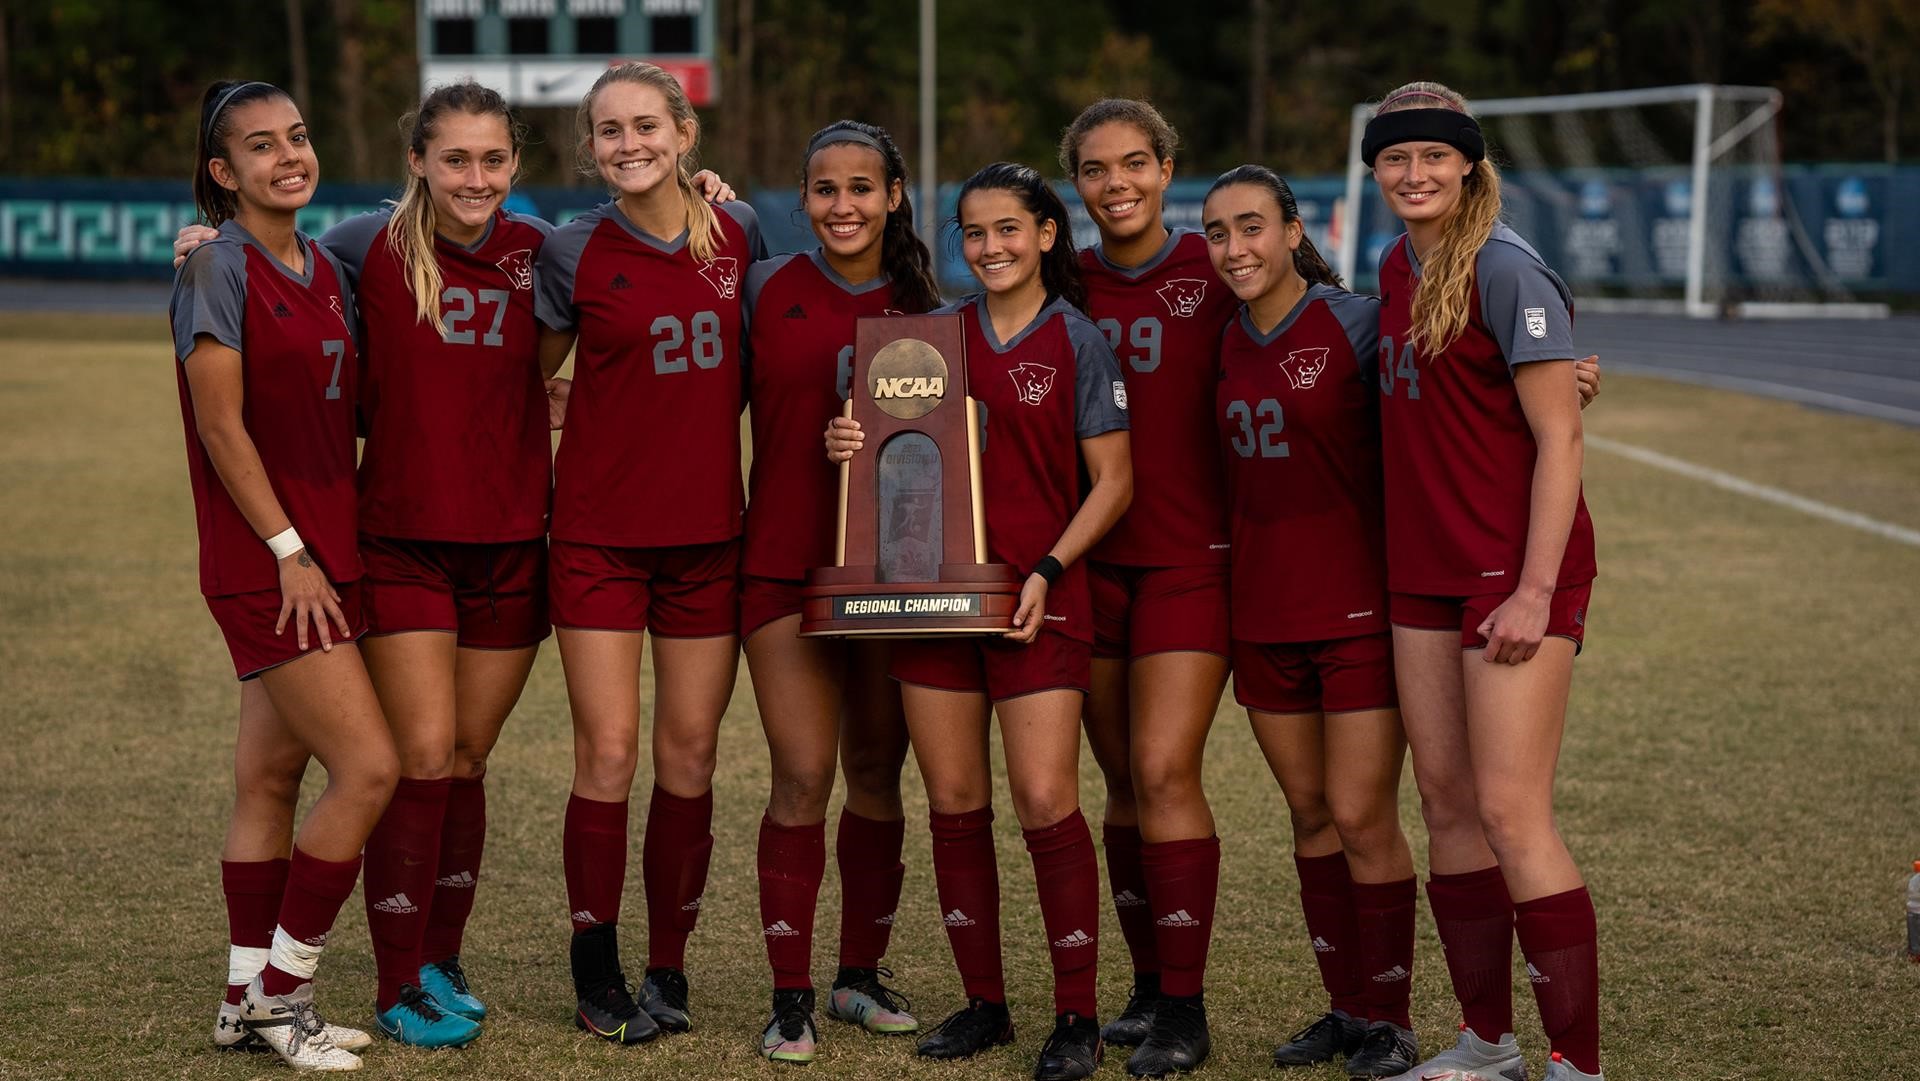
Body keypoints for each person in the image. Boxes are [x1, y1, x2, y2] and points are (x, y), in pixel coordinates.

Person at [169, 82, 741, 1049]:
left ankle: (437, 956)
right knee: (418, 757)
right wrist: (196, 242)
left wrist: (707, 191)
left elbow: (610, 330)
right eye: (454, 159)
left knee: (466, 760)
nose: (474, 178)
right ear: (418, 164)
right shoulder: (360, 248)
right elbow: (250, 271)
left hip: (517, 541)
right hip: (398, 544)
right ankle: (395, 980)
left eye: (492, 160)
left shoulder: (544, 251)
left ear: (515, 165)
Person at [827, 161, 1133, 1081]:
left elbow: (1115, 482)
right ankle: (987, 1004)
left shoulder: (1078, 341)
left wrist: (1046, 569)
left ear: (1046, 235)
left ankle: (1076, 1013)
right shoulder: (929, 339)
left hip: (1038, 601)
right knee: (955, 803)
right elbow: (871, 430)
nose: (990, 246)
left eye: (1008, 228)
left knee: (1045, 799)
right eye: (973, 231)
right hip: (932, 603)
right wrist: (843, 435)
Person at [1365, 81, 1604, 1081]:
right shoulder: (1392, 266)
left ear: (1468, 165)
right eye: (1395, 159)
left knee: (1512, 811)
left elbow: (1561, 436)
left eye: (1434, 157)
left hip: (1512, 576)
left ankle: (1576, 1063)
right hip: (1421, 573)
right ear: (1377, 171)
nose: (1415, 174)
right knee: (1448, 803)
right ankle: (1486, 1041)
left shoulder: (1507, 271)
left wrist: (1536, 591)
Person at [533, 60, 766, 1045]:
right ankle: (598, 970)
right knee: (611, 752)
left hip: (710, 538)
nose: (629, 143)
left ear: (683, 133)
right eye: (609, 131)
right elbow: (525, 380)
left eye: (646, 125)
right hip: (597, 539)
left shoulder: (741, 232)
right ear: (590, 148)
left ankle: (668, 967)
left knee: (690, 754)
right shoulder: (568, 250)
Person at [172, 78, 398, 1072]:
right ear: (223, 174)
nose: (288, 156)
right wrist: (288, 552)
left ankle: (237, 998)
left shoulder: (322, 259)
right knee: (370, 769)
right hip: (273, 564)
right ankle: (282, 994)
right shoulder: (218, 266)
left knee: (271, 776)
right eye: (260, 147)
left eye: (298, 137)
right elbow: (220, 425)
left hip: (324, 554)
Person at [1204, 164, 1419, 1077]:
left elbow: (1465, 374)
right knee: (1308, 815)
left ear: (1294, 230)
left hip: (1358, 611)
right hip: (1262, 609)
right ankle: (1345, 1007)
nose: (1234, 248)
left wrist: (1562, 364)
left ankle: (1391, 1018)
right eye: (1216, 233)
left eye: (1251, 227)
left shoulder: (1358, 323)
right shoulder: (1216, 340)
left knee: (1363, 815)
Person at [737, 119, 942, 1063]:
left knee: (874, 771)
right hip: (782, 563)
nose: (844, 206)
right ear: (803, 197)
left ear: (894, 195)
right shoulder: (765, 286)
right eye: (825, 189)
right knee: (802, 774)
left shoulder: (932, 305)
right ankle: (790, 995)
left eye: (863, 187)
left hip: (895, 575)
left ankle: (857, 973)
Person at [1057, 99, 1235, 1077]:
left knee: (1166, 769)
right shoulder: (1061, 280)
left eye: (1134, 163)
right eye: (1094, 169)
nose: (1116, 183)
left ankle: (1186, 1005)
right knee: (1122, 780)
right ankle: (1146, 981)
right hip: (1090, 564)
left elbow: (1349, 336)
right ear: (1074, 184)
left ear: (1169, 167)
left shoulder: (1218, 267)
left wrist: (1539, 369)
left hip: (1187, 561)